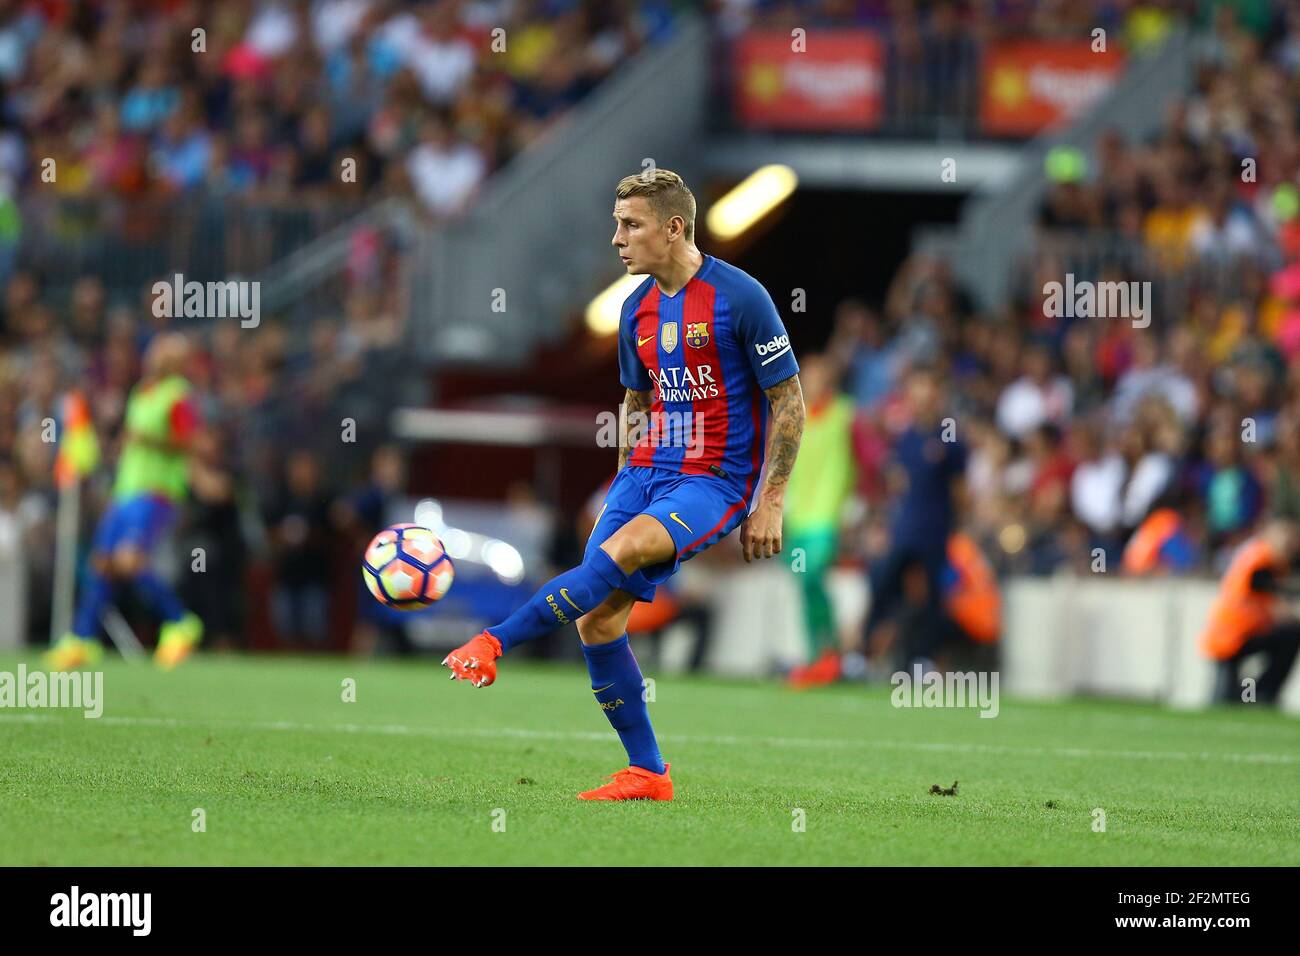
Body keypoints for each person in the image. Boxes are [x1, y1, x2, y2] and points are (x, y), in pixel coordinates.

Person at [439, 169, 805, 800]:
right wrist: (620, 484)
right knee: (599, 624)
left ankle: (495, 640)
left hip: (712, 480)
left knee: (625, 552)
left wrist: (769, 500)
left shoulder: (741, 298)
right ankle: (649, 773)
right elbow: (635, 402)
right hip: (643, 473)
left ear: (673, 227)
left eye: (630, 225)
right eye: (616, 224)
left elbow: (790, 401)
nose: (617, 239)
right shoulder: (634, 307)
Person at [48, 333, 204, 671]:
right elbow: (129, 444)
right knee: (102, 563)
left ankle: (180, 623)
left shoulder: (177, 396)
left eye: (165, 352)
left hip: (156, 491)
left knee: (130, 561)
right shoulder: (141, 393)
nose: (156, 356)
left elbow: (189, 444)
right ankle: (82, 639)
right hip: (126, 490)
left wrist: (148, 439)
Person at [861, 363, 967, 655]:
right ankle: (865, 654)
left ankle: (925, 660)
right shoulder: (906, 438)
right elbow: (899, 486)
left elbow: (960, 491)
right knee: (883, 586)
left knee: (934, 598)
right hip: (905, 529)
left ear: (937, 394)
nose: (921, 397)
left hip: (935, 530)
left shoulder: (950, 435)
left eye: (927, 390)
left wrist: (957, 528)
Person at [1200, 520, 1300, 706]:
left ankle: (1258, 695)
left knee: (1228, 697)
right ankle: (1262, 694)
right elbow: (1273, 600)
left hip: (1239, 633)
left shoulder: (1261, 558)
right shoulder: (1261, 561)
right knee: (1291, 635)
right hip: (1234, 635)